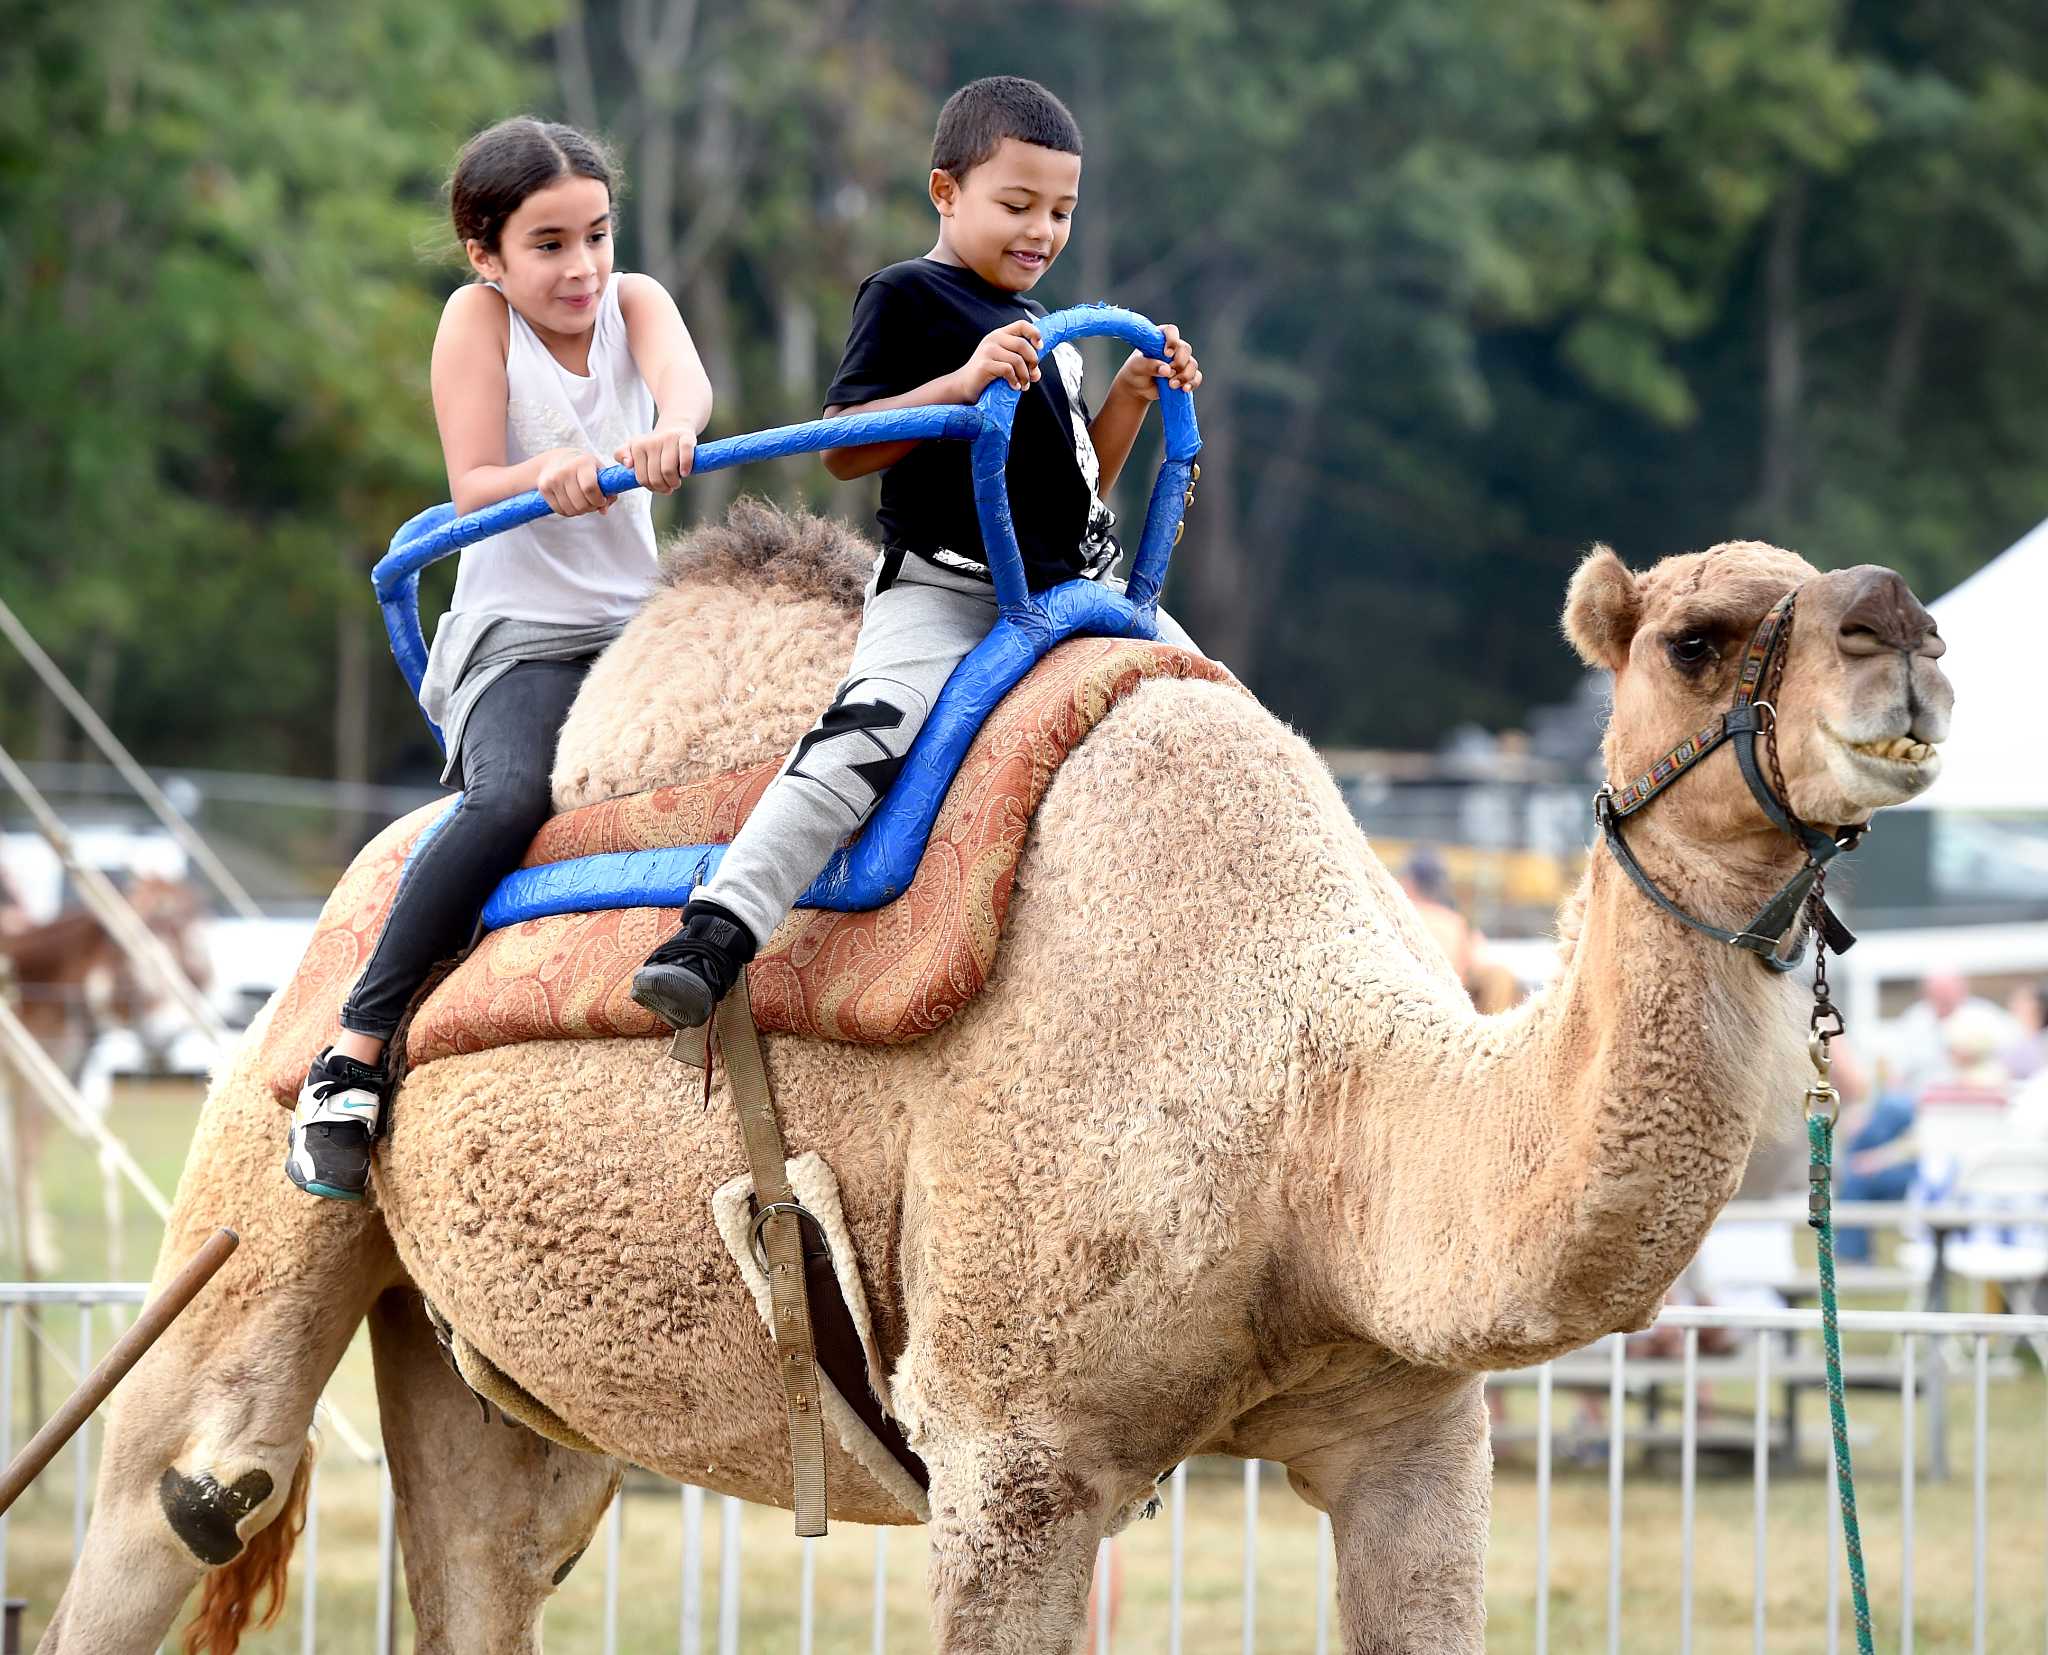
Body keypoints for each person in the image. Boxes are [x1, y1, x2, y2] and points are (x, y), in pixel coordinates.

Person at [631, 76, 1200, 1030]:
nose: (1042, 230)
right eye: (1017, 204)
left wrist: (1135, 399)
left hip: (1074, 589)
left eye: (1061, 210)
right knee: (869, 733)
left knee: (1204, 695)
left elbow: (1080, 491)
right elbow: (845, 444)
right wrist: (963, 380)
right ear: (946, 190)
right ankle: (716, 932)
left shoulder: (1049, 341)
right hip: (947, 589)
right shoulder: (907, 295)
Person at [286, 117, 714, 1201]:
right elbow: (471, 482)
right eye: (549, 244)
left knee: (765, 747)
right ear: (488, 254)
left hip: (640, 627)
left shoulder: (637, 301)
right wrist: (548, 470)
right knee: (509, 795)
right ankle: (355, 1052)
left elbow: (688, 395)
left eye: (596, 236)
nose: (582, 268)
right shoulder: (473, 320)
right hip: (522, 635)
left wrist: (670, 433)